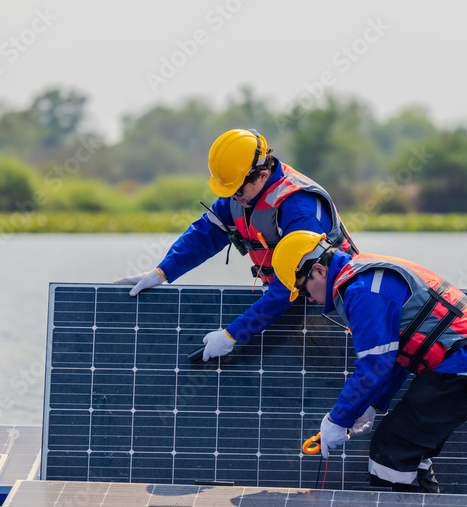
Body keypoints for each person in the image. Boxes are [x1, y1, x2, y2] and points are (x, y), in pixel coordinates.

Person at [270, 230, 467, 493]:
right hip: (466, 360)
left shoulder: (362, 291)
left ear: (319, 270)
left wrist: (337, 420)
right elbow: (396, 356)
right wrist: (371, 405)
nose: (311, 300)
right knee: (405, 449)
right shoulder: (361, 275)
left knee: (390, 453)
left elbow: (375, 366)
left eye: (304, 290)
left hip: (465, 363)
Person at [116, 128, 358, 361]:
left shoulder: (300, 208)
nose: (232, 197)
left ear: (262, 175)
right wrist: (161, 272)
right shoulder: (240, 196)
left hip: (336, 307)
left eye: (236, 190)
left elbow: (288, 286)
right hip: (289, 303)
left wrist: (233, 334)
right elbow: (204, 234)